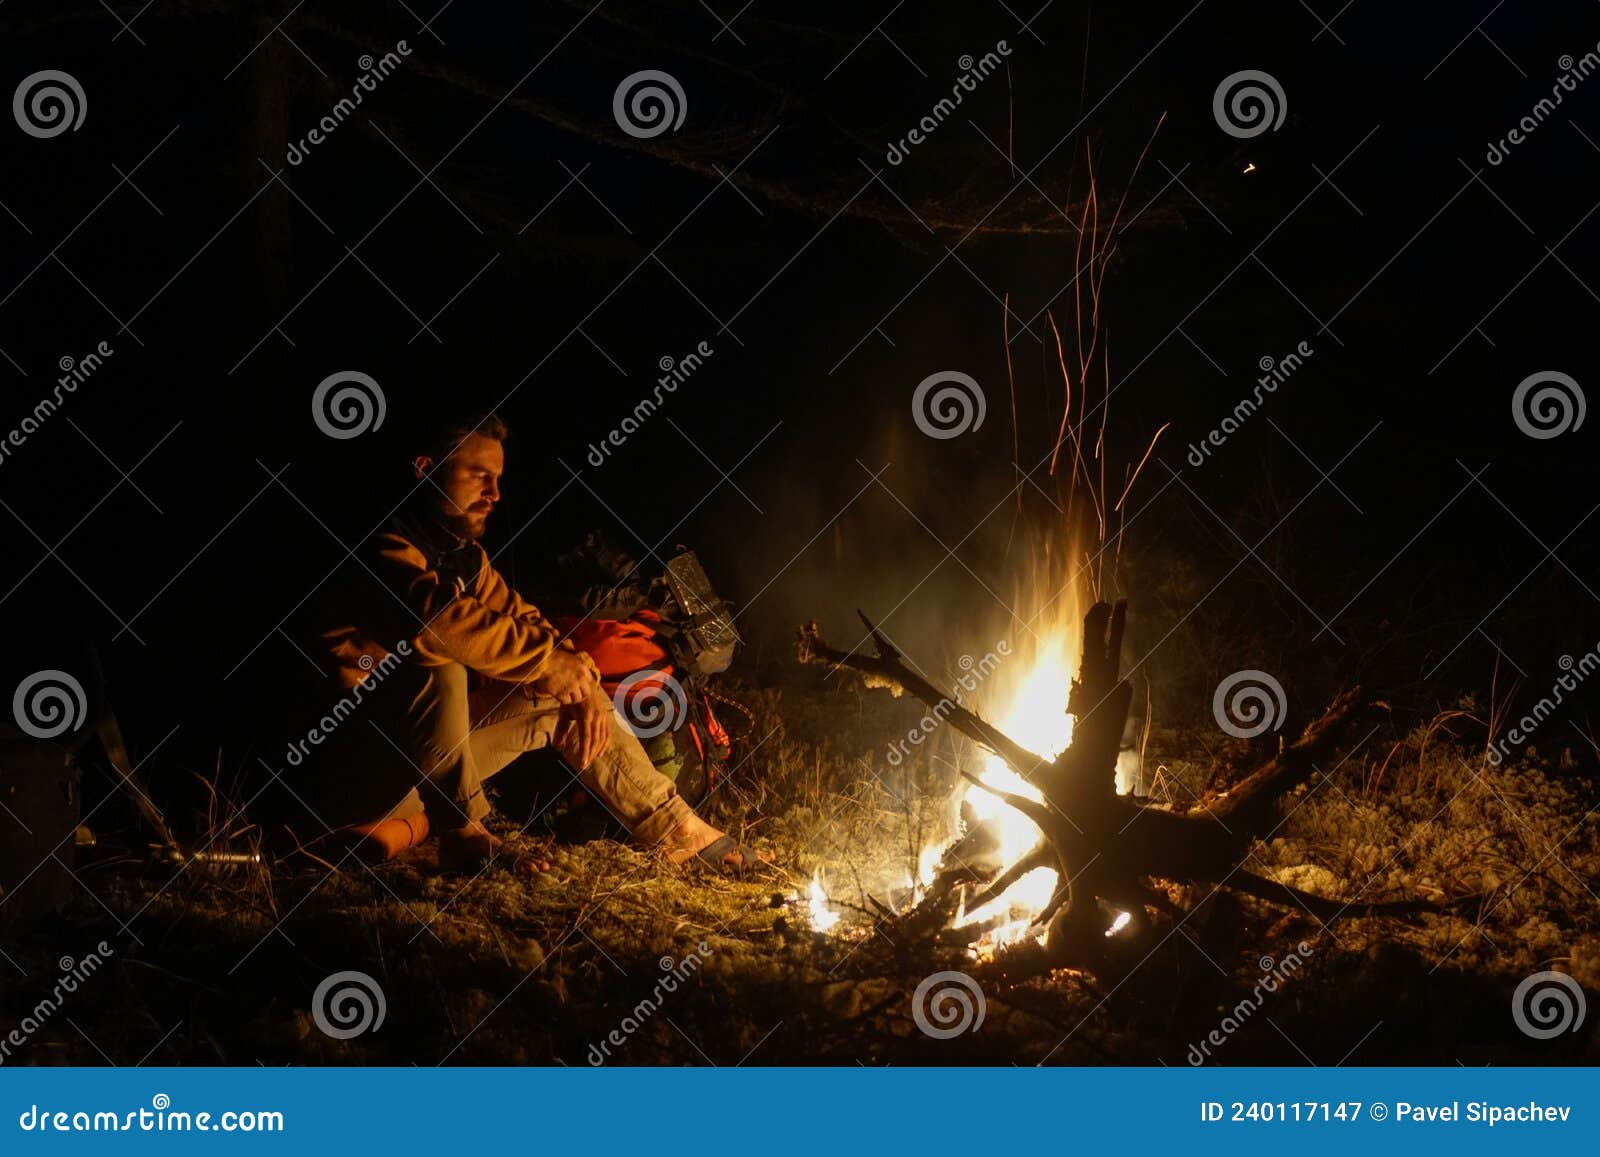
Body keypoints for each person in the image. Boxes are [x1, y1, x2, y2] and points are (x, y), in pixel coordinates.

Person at [304, 412, 763, 875]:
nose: (494, 493)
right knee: (438, 663)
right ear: (426, 469)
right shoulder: (378, 546)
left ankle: (677, 832)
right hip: (346, 777)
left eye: (498, 479)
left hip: (420, 776)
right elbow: (435, 621)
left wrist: (573, 677)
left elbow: (525, 619)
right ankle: (464, 833)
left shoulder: (461, 556)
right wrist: (545, 663)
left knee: (564, 681)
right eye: (478, 476)